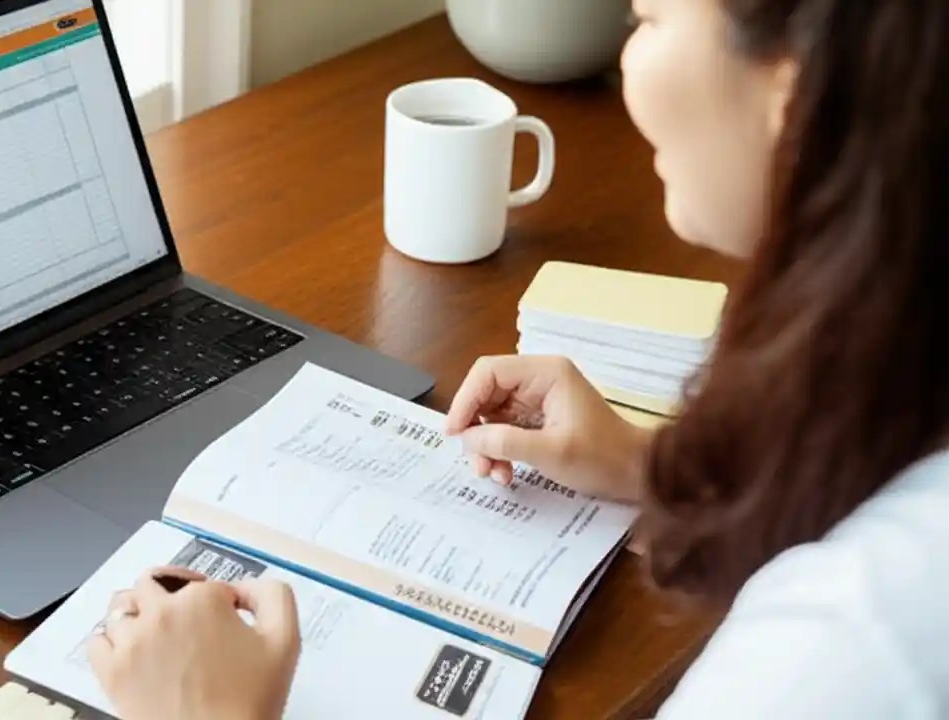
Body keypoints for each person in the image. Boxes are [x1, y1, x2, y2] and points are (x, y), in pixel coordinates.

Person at [86, 0, 949, 716]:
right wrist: (654, 470)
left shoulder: (848, 649)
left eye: (648, 17)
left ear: (793, 94)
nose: (626, 50)